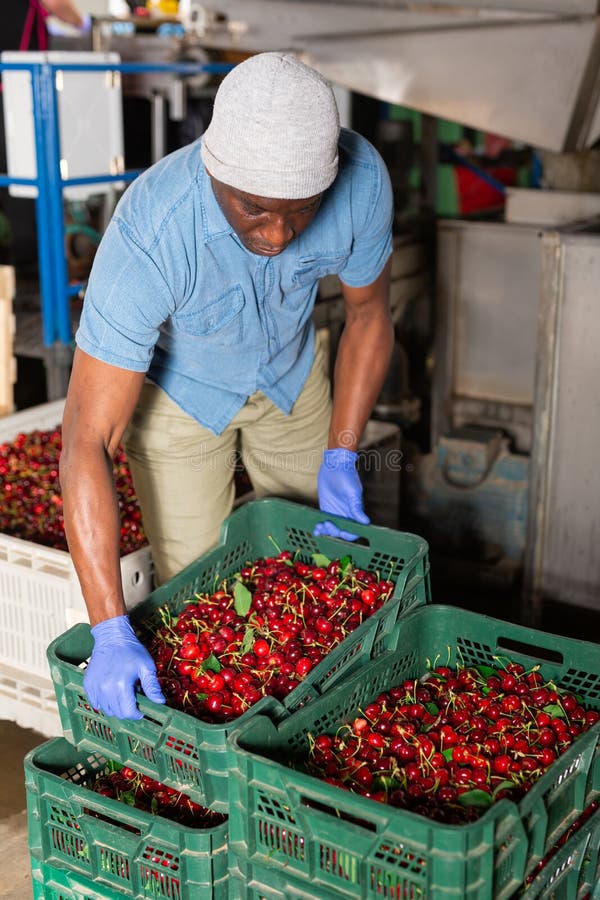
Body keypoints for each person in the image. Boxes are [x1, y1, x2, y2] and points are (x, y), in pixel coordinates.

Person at [59, 52, 395, 719]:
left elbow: (368, 316)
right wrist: (108, 629)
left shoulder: (360, 183)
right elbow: (86, 439)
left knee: (323, 572)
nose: (277, 234)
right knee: (201, 589)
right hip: (180, 399)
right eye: (254, 209)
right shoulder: (153, 232)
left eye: (301, 211)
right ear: (214, 169)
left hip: (292, 377)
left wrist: (342, 452)